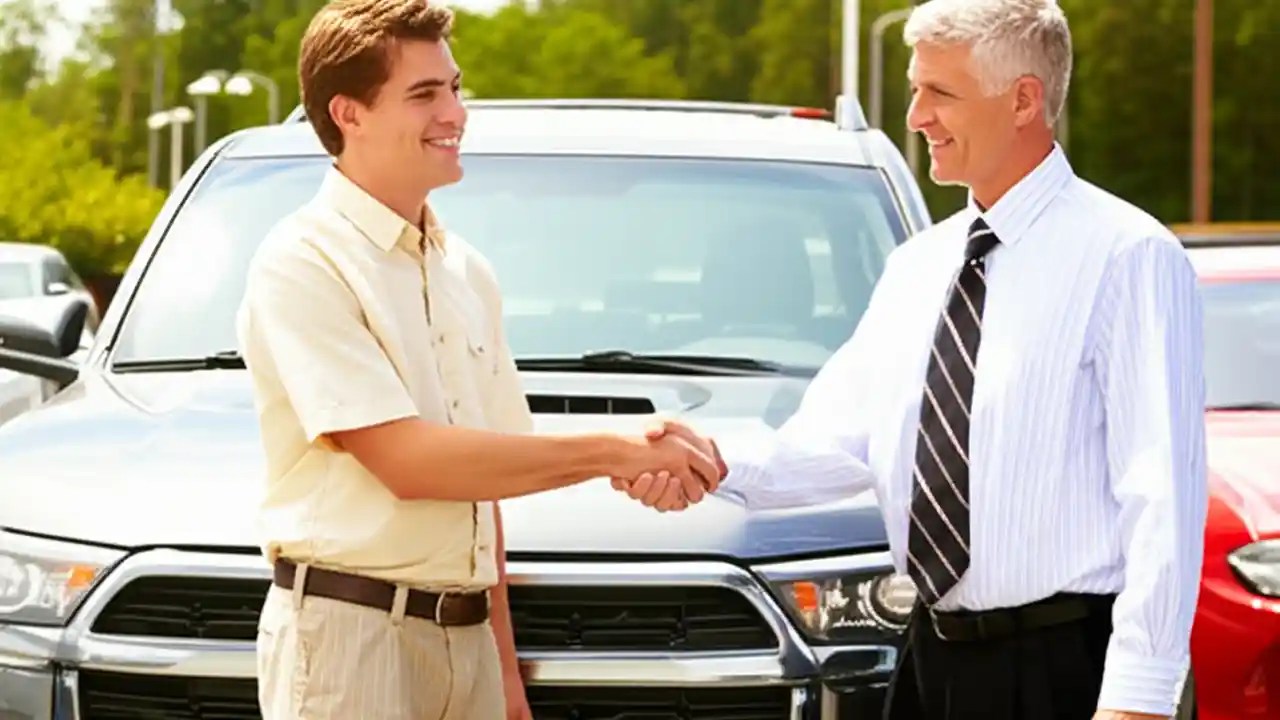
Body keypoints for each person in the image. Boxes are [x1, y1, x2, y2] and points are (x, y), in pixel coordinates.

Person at [615, 1, 1208, 719]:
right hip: (928, 664)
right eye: (915, 89)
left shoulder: (1129, 256)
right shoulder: (917, 268)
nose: (917, 115)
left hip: (1068, 675)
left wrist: (1138, 701)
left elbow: (1163, 499)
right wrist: (705, 459)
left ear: (1024, 99)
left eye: (941, 93)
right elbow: (833, 447)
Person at [235, 2, 718, 719]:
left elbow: (481, 494)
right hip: (352, 648)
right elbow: (409, 463)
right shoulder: (303, 261)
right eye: (424, 94)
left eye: (455, 88)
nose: (455, 112)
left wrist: (503, 669)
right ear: (349, 113)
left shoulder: (466, 271)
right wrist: (616, 451)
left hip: (466, 656)